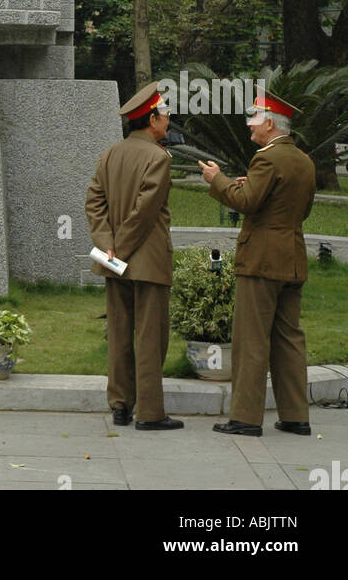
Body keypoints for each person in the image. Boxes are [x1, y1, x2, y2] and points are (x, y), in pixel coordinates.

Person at [200, 90, 316, 437]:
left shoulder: (267, 159)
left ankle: (246, 418)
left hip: (261, 260)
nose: (249, 126)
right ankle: (296, 417)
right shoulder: (303, 161)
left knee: (252, 338)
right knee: (289, 339)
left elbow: (247, 202)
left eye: (254, 120)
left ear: (269, 124)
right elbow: (300, 209)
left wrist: (216, 180)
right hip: (292, 258)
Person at [86, 81, 183, 430]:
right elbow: (145, 212)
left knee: (120, 333)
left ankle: (120, 406)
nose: (168, 119)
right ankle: (150, 413)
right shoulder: (158, 157)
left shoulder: (110, 153)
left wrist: (107, 247)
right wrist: (121, 249)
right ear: (151, 119)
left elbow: (94, 202)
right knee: (150, 336)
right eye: (165, 113)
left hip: (113, 262)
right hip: (148, 261)